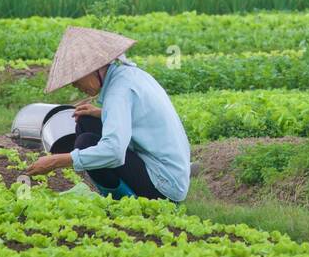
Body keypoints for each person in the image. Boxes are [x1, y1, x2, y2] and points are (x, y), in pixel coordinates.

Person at [25, 27, 191, 202]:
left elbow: (114, 152)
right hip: (169, 170)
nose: (75, 86)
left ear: (92, 70)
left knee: (86, 143)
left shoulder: (118, 92)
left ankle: (122, 201)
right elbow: (138, 115)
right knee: (86, 121)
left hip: (164, 185)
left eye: (76, 79)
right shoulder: (129, 75)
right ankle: (116, 191)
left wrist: (57, 161)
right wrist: (102, 113)